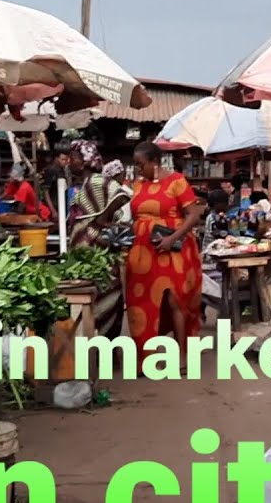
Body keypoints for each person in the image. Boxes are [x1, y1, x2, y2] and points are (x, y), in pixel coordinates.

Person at [125, 141, 205, 372]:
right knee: (142, 302)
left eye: (141, 164)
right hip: (144, 252)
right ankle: (145, 357)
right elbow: (135, 216)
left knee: (175, 300)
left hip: (174, 250)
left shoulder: (177, 181)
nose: (139, 169)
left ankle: (182, 354)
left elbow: (193, 215)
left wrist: (172, 238)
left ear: (154, 162)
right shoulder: (138, 185)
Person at [67, 140, 131, 338]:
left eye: (74, 159)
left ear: (86, 160)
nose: (70, 163)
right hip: (90, 251)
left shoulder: (96, 181)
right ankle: (105, 348)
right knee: (101, 296)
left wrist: (102, 218)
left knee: (107, 296)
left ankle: (108, 348)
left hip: (98, 249)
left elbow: (121, 195)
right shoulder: (85, 184)